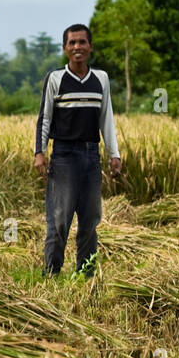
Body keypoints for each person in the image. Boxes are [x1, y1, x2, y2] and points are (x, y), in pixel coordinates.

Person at [34, 23, 122, 275]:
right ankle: (51, 273)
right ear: (64, 48)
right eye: (72, 43)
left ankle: (86, 273)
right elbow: (45, 118)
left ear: (90, 46)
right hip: (63, 156)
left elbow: (107, 119)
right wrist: (39, 153)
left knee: (90, 220)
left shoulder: (101, 79)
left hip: (91, 156)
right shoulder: (56, 79)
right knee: (59, 220)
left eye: (82, 42)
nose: (77, 47)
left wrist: (113, 154)